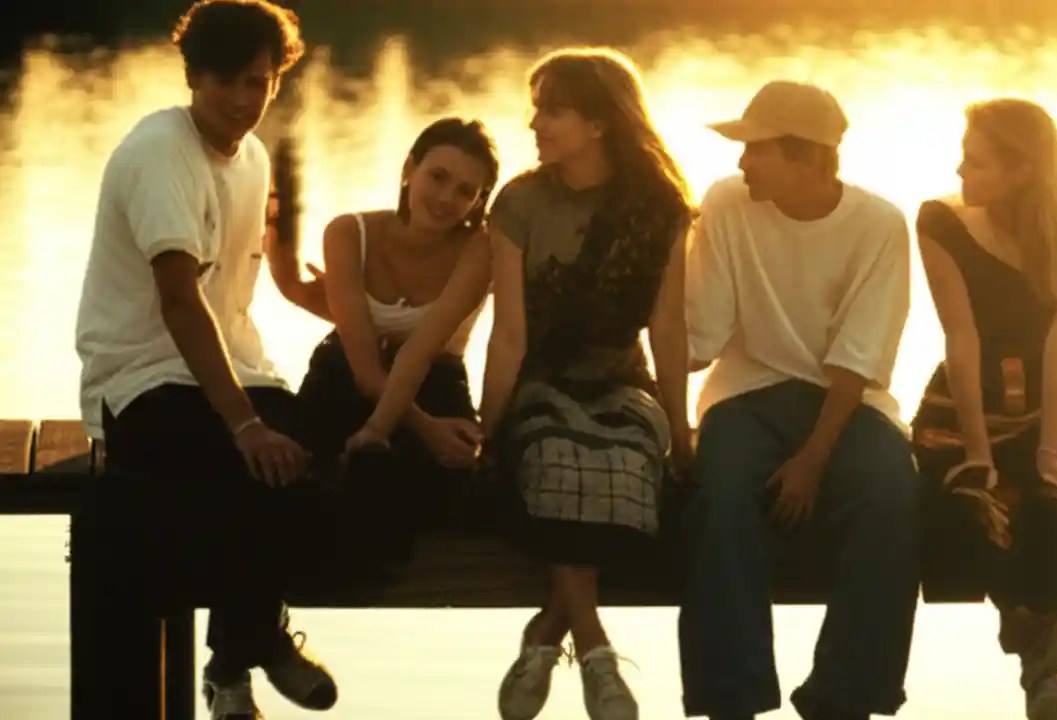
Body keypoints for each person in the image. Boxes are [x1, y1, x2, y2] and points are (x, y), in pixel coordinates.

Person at [348, 46, 694, 720]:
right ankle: (595, 650)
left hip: (625, 382)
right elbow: (509, 335)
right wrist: (492, 427)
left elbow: (669, 330)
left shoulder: (661, 205)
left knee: (626, 464)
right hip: (542, 382)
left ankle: (546, 634)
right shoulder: (522, 202)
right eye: (537, 109)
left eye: (552, 110)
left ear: (598, 123)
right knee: (559, 456)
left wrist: (680, 433)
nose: (534, 123)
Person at [73, 2, 338, 718]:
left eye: (260, 82)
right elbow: (180, 302)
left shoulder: (252, 157)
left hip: (229, 375)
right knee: (246, 462)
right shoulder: (160, 152)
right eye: (227, 81)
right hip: (139, 384)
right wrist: (247, 426)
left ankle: (230, 658)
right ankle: (264, 645)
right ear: (193, 76)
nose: (244, 101)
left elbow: (243, 301)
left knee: (319, 454)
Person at [678, 80, 922, 720]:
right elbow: (702, 335)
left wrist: (814, 458)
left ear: (811, 159)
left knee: (891, 494)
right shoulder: (726, 204)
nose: (740, 162)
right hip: (745, 392)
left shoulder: (880, 224)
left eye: (756, 149)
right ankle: (731, 701)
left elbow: (859, 355)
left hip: (845, 402)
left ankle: (846, 700)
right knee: (723, 493)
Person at [910, 98, 1057, 720]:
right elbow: (961, 338)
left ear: (1022, 169)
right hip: (964, 404)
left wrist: (1049, 448)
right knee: (974, 505)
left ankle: (1028, 640)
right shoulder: (939, 222)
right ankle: (1039, 656)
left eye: (975, 162)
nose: (958, 171)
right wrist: (978, 451)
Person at [268, 119, 497, 558]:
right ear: (409, 167)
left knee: (419, 489)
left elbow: (419, 352)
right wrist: (426, 430)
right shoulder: (349, 233)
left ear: (478, 201)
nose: (448, 198)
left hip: (435, 385)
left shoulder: (479, 249)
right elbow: (366, 369)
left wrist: (440, 430)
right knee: (292, 483)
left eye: (466, 191)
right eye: (438, 177)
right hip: (346, 381)